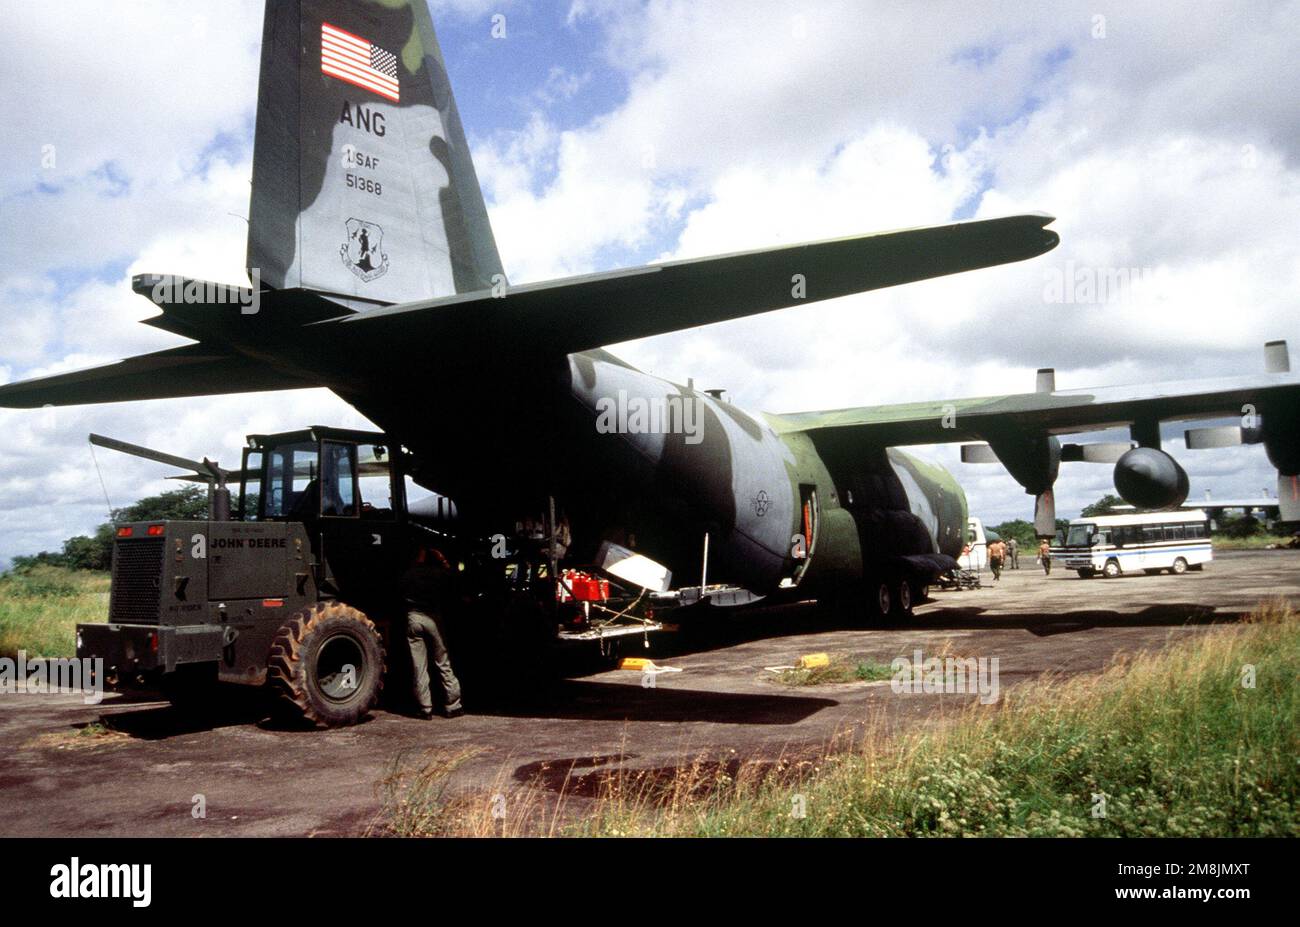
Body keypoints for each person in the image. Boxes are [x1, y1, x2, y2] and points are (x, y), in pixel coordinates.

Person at [401, 545, 463, 719]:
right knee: (442, 661)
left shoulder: (408, 575)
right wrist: (443, 560)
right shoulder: (438, 574)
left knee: (419, 665)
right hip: (433, 617)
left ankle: (425, 707)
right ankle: (453, 704)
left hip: (413, 617)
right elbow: (455, 579)